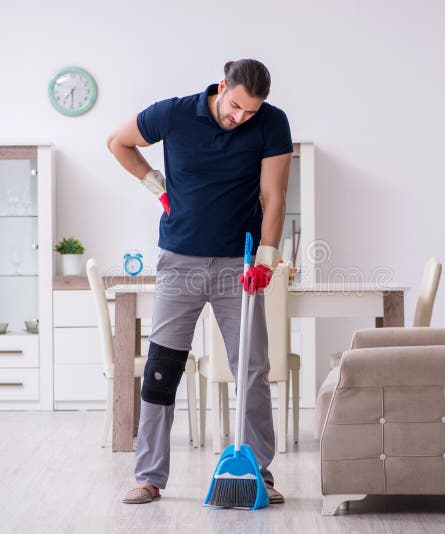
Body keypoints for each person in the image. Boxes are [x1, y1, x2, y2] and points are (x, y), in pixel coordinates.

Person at [106, 59, 293, 505]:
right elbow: (118, 142)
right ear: (222, 86)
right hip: (179, 262)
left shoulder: (272, 123)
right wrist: (155, 185)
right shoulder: (173, 113)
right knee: (161, 369)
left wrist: (266, 256)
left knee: (251, 369)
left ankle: (258, 473)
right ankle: (149, 476)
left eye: (250, 112)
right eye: (235, 107)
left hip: (239, 263)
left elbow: (274, 195)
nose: (240, 118)